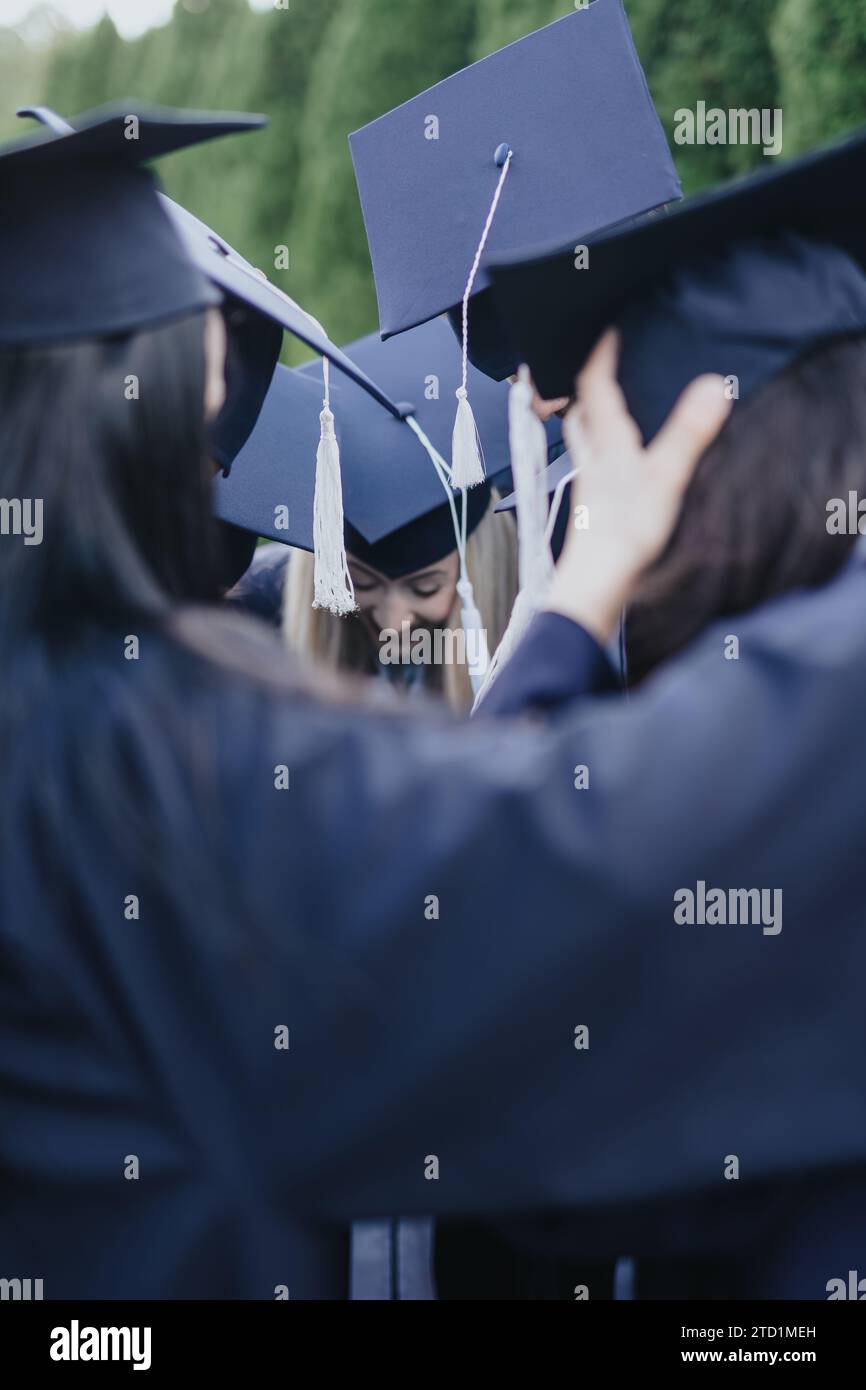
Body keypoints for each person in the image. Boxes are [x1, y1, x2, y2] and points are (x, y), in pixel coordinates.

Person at [5, 103, 866, 1305]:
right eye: (203, 441)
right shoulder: (143, 773)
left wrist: (567, 612)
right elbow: (563, 868)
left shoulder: (74, 730)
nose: (219, 483)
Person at [220, 318, 529, 711]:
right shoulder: (260, 609)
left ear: (479, 565)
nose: (393, 622)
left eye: (425, 588)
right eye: (360, 583)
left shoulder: (535, 614)